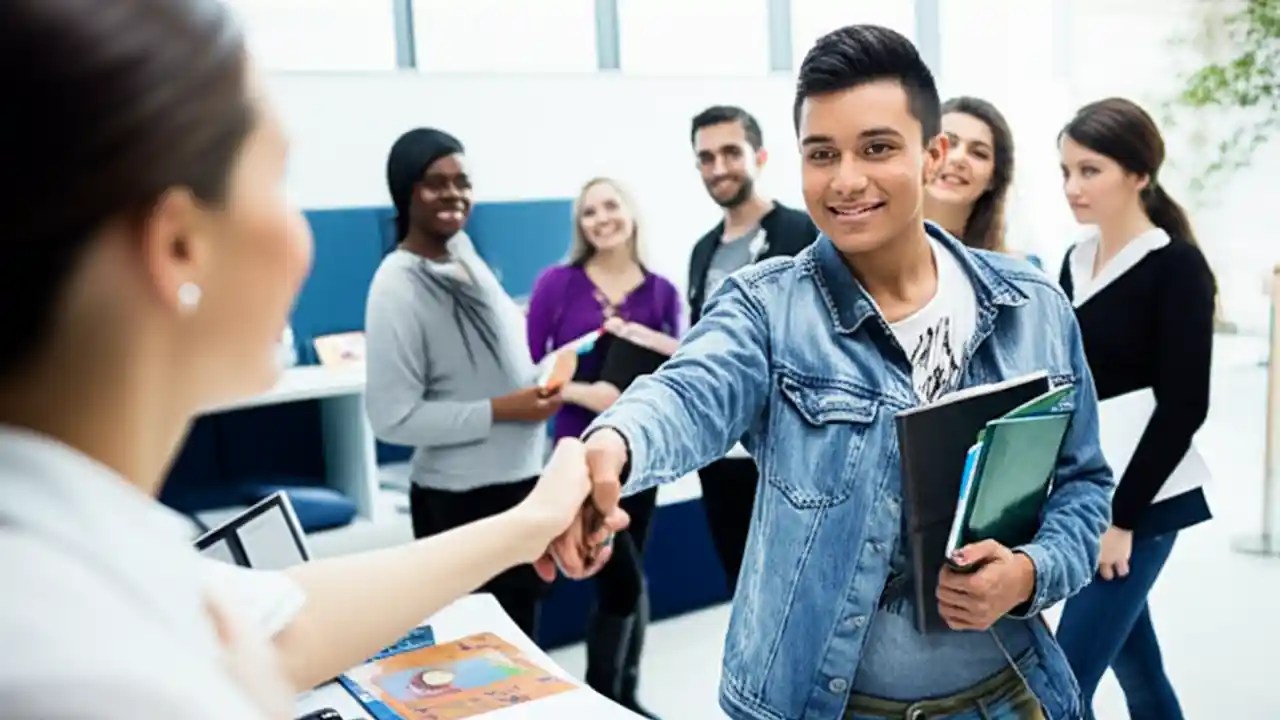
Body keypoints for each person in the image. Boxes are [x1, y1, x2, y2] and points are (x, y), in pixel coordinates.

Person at [0, 2, 623, 718]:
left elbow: (285, 623)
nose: (304, 235)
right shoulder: (78, 673)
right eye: (279, 182)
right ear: (178, 246)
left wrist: (528, 521)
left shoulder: (100, 553)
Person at [553, 25, 1114, 720]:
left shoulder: (1032, 308)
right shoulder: (770, 307)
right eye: (823, 155)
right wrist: (610, 448)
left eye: (877, 148)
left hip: (1003, 696)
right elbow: (688, 391)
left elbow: (1084, 486)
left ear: (931, 155)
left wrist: (1032, 572)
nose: (846, 180)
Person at [364, 127, 574, 641]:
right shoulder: (397, 284)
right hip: (463, 504)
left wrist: (539, 383)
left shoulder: (463, 255)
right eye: (435, 183)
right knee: (478, 664)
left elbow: (492, 361)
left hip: (518, 484)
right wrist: (505, 409)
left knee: (522, 651)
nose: (453, 194)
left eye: (462, 181)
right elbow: (392, 417)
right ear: (405, 191)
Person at [1053, 97, 1214, 720]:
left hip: (1143, 502)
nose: (1072, 187)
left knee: (1062, 685)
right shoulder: (1072, 262)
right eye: (1065, 171)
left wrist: (1121, 519)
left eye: (1089, 171)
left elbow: (1184, 406)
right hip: (1089, 495)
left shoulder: (1176, 267)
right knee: (1139, 670)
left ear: (1139, 174)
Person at [526, 177, 681, 718]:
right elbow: (534, 369)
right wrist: (578, 392)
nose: (601, 218)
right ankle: (597, 697)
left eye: (611, 205)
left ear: (631, 213)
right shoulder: (557, 284)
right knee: (608, 578)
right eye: (589, 212)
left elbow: (681, 367)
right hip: (572, 456)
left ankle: (621, 695)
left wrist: (643, 345)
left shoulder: (660, 290)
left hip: (641, 456)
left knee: (629, 578)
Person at [686, 104, 818, 592]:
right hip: (721, 455)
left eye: (730, 152)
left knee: (796, 591)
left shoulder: (802, 233)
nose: (718, 167)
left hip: (790, 451)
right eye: (706, 157)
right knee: (739, 587)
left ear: (758, 156)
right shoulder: (703, 252)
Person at [924, 97, 1015, 254]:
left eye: (978, 153)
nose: (958, 158)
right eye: (947, 143)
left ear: (993, 179)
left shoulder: (1017, 273)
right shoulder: (870, 245)